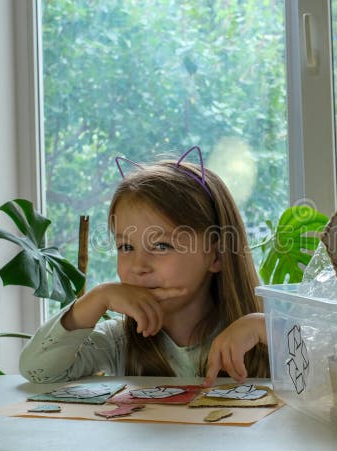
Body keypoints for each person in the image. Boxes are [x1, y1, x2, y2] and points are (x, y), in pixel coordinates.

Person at [19, 147, 268, 387]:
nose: (139, 266)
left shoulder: (258, 336)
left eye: (161, 246)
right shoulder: (118, 342)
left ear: (216, 255)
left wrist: (264, 327)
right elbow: (37, 371)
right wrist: (97, 298)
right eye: (126, 247)